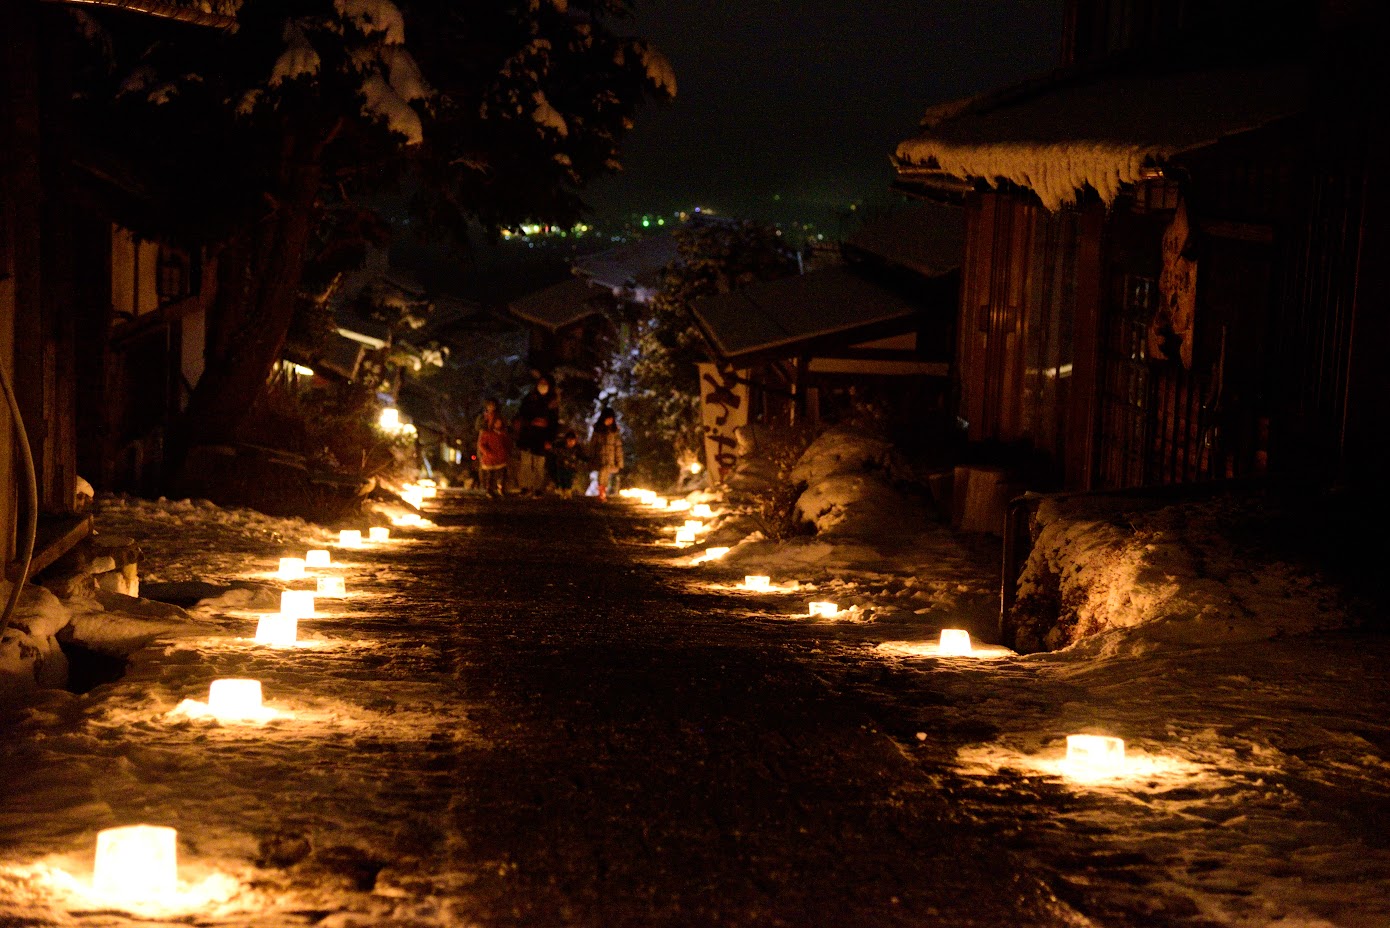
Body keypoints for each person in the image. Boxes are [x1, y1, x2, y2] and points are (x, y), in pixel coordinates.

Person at [515, 374, 558, 495]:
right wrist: (532, 421)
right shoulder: (530, 398)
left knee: (539, 463)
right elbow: (522, 413)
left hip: (543, 436)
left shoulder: (552, 402)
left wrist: (550, 439)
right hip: (528, 434)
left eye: (545, 383)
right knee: (526, 463)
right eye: (541, 383)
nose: (543, 385)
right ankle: (525, 487)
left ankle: (538, 488)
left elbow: (554, 422)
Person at [589, 406, 623, 501]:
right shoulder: (598, 431)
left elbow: (618, 447)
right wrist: (591, 457)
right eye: (608, 418)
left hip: (610, 458)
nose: (609, 421)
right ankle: (601, 492)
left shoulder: (614, 431)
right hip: (600, 457)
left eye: (611, 419)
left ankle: (603, 492)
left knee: (606, 474)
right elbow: (592, 445)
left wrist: (619, 461)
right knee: (602, 473)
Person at [476, 409, 511, 498]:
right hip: (490, 459)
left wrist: (506, 452)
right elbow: (482, 444)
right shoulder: (487, 433)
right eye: (496, 422)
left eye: (500, 422)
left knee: (502, 475)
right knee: (490, 476)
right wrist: (487, 453)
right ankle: (489, 490)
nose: (498, 424)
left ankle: (501, 489)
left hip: (501, 458)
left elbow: (507, 444)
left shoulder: (503, 434)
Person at [550, 430, 586, 498]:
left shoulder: (577, 448)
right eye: (569, 440)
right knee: (561, 479)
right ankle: (562, 492)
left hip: (571, 467)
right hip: (561, 466)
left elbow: (581, 455)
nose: (571, 443)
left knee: (569, 479)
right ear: (566, 440)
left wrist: (587, 459)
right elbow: (554, 451)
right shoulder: (560, 447)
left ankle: (568, 492)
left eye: (573, 441)